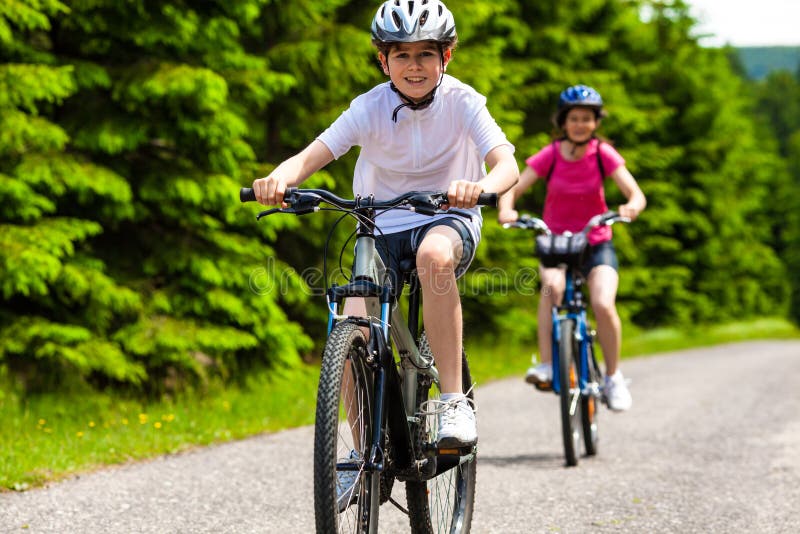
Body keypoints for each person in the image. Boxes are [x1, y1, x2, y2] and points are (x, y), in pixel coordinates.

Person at [252, 0, 518, 504]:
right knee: (352, 317)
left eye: (425, 54)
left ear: (448, 56)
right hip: (379, 223)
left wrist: (480, 186)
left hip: (447, 217)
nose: (413, 66)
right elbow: (315, 153)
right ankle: (358, 456)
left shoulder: (465, 103)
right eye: (401, 55)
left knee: (435, 260)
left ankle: (451, 400)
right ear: (383, 61)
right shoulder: (368, 106)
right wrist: (280, 179)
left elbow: (507, 164)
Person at [497, 84, 645, 412]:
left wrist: (631, 206)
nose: (580, 124)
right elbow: (513, 185)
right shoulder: (550, 154)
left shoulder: (603, 154)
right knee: (552, 288)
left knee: (603, 303)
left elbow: (635, 193)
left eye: (587, 119)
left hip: (595, 243)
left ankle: (613, 376)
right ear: (563, 122)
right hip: (557, 243)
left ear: (596, 122)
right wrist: (507, 208)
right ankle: (549, 365)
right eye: (574, 118)